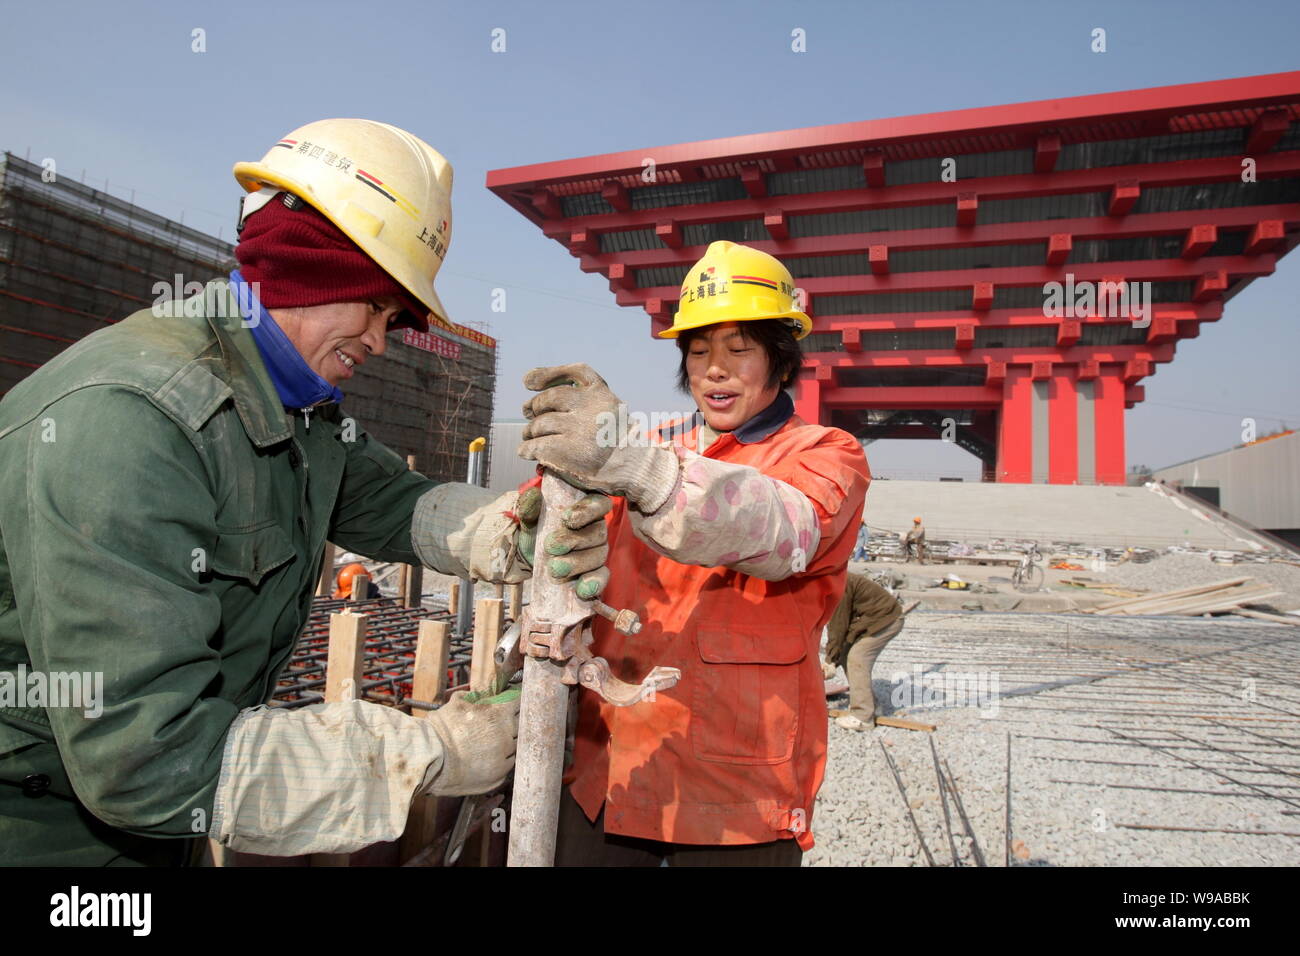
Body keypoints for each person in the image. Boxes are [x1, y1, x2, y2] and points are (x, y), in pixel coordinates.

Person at [0, 119, 608, 865]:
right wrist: (428, 753)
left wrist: (518, 527)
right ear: (313, 268)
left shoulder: (296, 414)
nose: (381, 342)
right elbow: (146, 761)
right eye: (378, 308)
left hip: (155, 833)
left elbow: (392, 500)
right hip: (43, 836)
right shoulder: (133, 423)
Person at [518, 240, 870, 866]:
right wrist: (536, 510)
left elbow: (785, 529)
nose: (714, 369)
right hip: (612, 773)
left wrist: (643, 473)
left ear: (781, 361)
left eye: (739, 350)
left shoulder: (825, 453)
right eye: (700, 351)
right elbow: (555, 521)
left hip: (737, 800)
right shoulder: (653, 445)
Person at [823, 572, 906, 730]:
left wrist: (830, 661)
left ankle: (863, 716)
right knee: (847, 653)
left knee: (857, 658)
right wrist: (834, 657)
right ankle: (872, 705)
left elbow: (838, 626)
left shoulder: (838, 584)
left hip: (887, 620)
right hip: (872, 619)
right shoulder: (833, 579)